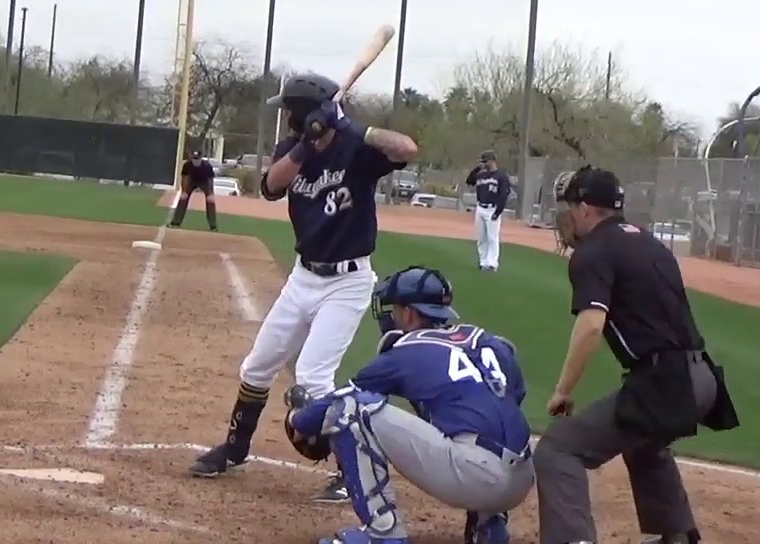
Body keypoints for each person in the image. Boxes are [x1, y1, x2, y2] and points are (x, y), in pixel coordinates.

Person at [187, 72, 419, 503]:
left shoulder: (357, 149)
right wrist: (309, 141)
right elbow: (272, 185)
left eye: (290, 111)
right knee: (258, 366)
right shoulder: (294, 150)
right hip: (303, 277)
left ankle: (355, 469)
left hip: (347, 282)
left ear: (305, 111)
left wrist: (349, 126)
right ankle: (235, 450)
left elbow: (407, 148)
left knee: (313, 377)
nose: (287, 117)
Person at [533, 166, 739, 544]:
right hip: (704, 378)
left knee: (558, 450)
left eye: (569, 206)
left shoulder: (593, 251)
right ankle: (677, 537)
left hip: (668, 382)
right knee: (643, 438)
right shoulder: (648, 241)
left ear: (584, 208)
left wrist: (563, 390)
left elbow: (592, 326)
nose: (565, 216)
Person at [284, 266, 535, 544]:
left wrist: (298, 419)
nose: (391, 316)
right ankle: (489, 524)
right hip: (522, 479)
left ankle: (383, 532)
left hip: (475, 478)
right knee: (478, 420)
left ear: (410, 313)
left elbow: (342, 400)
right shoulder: (488, 341)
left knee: (352, 409)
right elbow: (515, 396)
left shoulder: (406, 349)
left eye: (395, 308)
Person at [465, 150, 511, 271]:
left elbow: (504, 194)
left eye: (485, 161)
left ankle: (492, 263)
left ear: (492, 161)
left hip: (492, 208)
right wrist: (476, 169)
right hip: (480, 207)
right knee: (481, 237)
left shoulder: (501, 176)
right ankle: (483, 261)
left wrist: (498, 211)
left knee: (492, 237)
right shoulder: (481, 175)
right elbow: (469, 181)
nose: (484, 164)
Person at [168, 150, 218, 231]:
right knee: (183, 198)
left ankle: (213, 226)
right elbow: (185, 178)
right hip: (191, 181)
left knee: (210, 200)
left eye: (197, 159)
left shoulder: (206, 166)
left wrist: (210, 193)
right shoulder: (187, 165)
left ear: (201, 158)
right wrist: (184, 191)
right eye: (194, 159)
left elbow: (210, 180)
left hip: (204, 181)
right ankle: (175, 222)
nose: (196, 161)